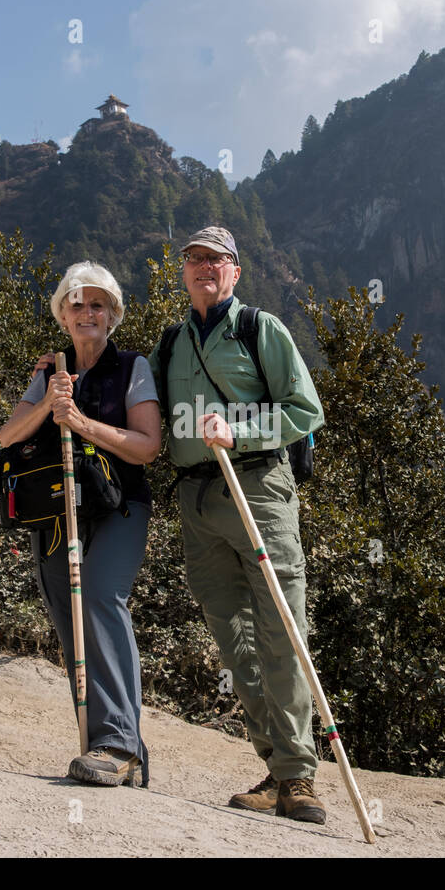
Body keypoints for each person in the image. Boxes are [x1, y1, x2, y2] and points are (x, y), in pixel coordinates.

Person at [147, 226, 328, 823]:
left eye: (215, 259)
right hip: (196, 502)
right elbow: (136, 402)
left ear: (234, 271)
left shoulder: (259, 329)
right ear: (184, 270)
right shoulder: (171, 343)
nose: (203, 267)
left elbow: (306, 410)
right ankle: (276, 768)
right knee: (235, 641)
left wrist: (238, 429)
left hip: (257, 488)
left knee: (282, 629)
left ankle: (300, 779)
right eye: (194, 258)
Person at [0, 261, 161, 787]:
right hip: (57, 510)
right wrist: (49, 400)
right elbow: (8, 436)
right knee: (68, 616)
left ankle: (117, 742)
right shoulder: (50, 370)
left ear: (111, 315)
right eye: (76, 303)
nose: (86, 312)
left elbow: (147, 446)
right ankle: (107, 745)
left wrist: (82, 423)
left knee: (97, 595)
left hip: (119, 506)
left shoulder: (133, 367)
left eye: (97, 304)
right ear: (63, 315)